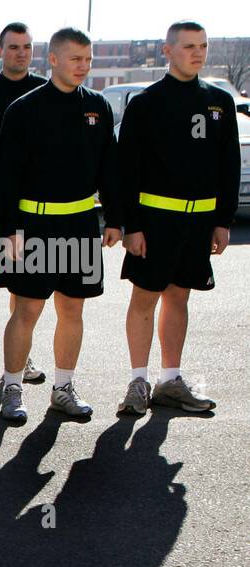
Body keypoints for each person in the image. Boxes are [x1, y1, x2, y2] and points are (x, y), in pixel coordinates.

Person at [0, 28, 121, 423]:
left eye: (87, 59)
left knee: (73, 309)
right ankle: (12, 389)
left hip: (81, 222)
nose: (83, 66)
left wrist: (115, 218)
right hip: (33, 226)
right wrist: (8, 233)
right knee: (27, 309)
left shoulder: (98, 106)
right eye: (75, 59)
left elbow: (109, 169)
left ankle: (63, 389)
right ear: (53, 60)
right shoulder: (23, 109)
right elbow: (5, 178)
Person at [116, 21, 236, 415]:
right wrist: (131, 224)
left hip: (199, 221)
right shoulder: (146, 103)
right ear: (167, 51)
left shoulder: (220, 101)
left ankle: (170, 380)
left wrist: (223, 220)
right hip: (154, 221)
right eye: (188, 46)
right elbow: (128, 169)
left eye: (202, 46)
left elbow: (228, 165)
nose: (197, 53)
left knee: (179, 296)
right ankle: (137, 381)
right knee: (145, 297)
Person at [0, 22, 51, 388]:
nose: (21, 52)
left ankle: (21, 356)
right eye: (14, 46)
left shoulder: (44, 93)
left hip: (27, 211)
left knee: (22, 289)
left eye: (27, 46)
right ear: (0, 51)